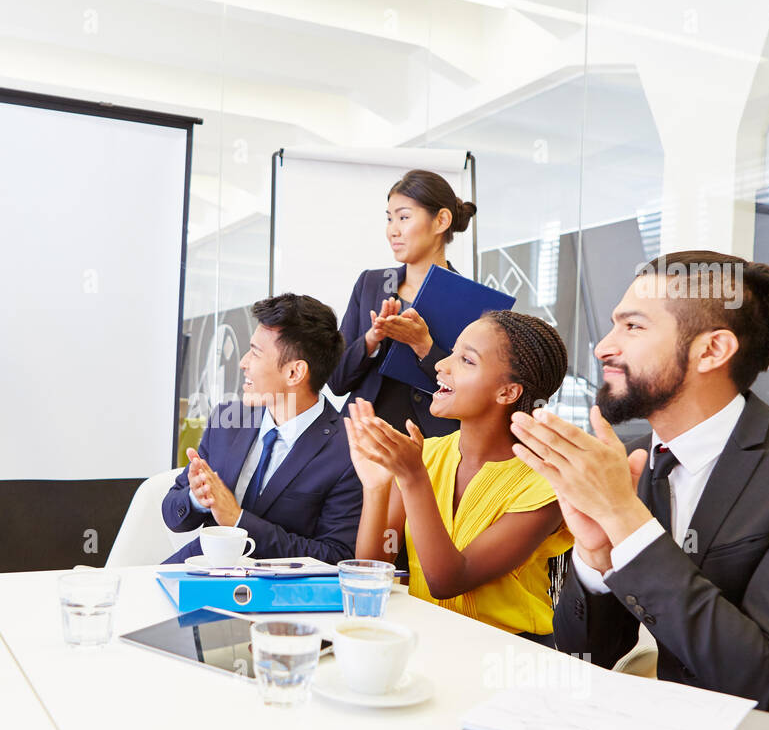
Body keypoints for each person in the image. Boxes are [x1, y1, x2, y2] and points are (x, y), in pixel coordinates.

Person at [511, 251, 769, 730]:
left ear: (712, 351)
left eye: (633, 327)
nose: (604, 346)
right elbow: (588, 654)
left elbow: (766, 687)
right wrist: (595, 554)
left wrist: (623, 516)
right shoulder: (633, 461)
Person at [345, 311, 572, 641]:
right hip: (429, 639)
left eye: (466, 360)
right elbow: (374, 569)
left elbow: (448, 581)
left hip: (510, 654)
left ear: (508, 393)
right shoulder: (430, 454)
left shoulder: (544, 482)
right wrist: (377, 486)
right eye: (452, 352)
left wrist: (413, 478)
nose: (441, 365)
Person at [162, 293, 362, 564]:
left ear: (295, 373)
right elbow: (173, 515)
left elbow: (334, 557)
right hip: (200, 575)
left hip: (281, 597)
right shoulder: (227, 420)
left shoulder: (348, 450)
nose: (243, 362)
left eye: (255, 353)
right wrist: (197, 498)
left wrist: (238, 521)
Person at [327, 169, 477, 437]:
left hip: (433, 447)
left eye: (404, 217)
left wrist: (424, 346)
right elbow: (337, 381)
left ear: (441, 220)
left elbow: (473, 396)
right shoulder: (371, 285)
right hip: (361, 442)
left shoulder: (471, 301)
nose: (392, 231)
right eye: (389, 219)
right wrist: (372, 339)